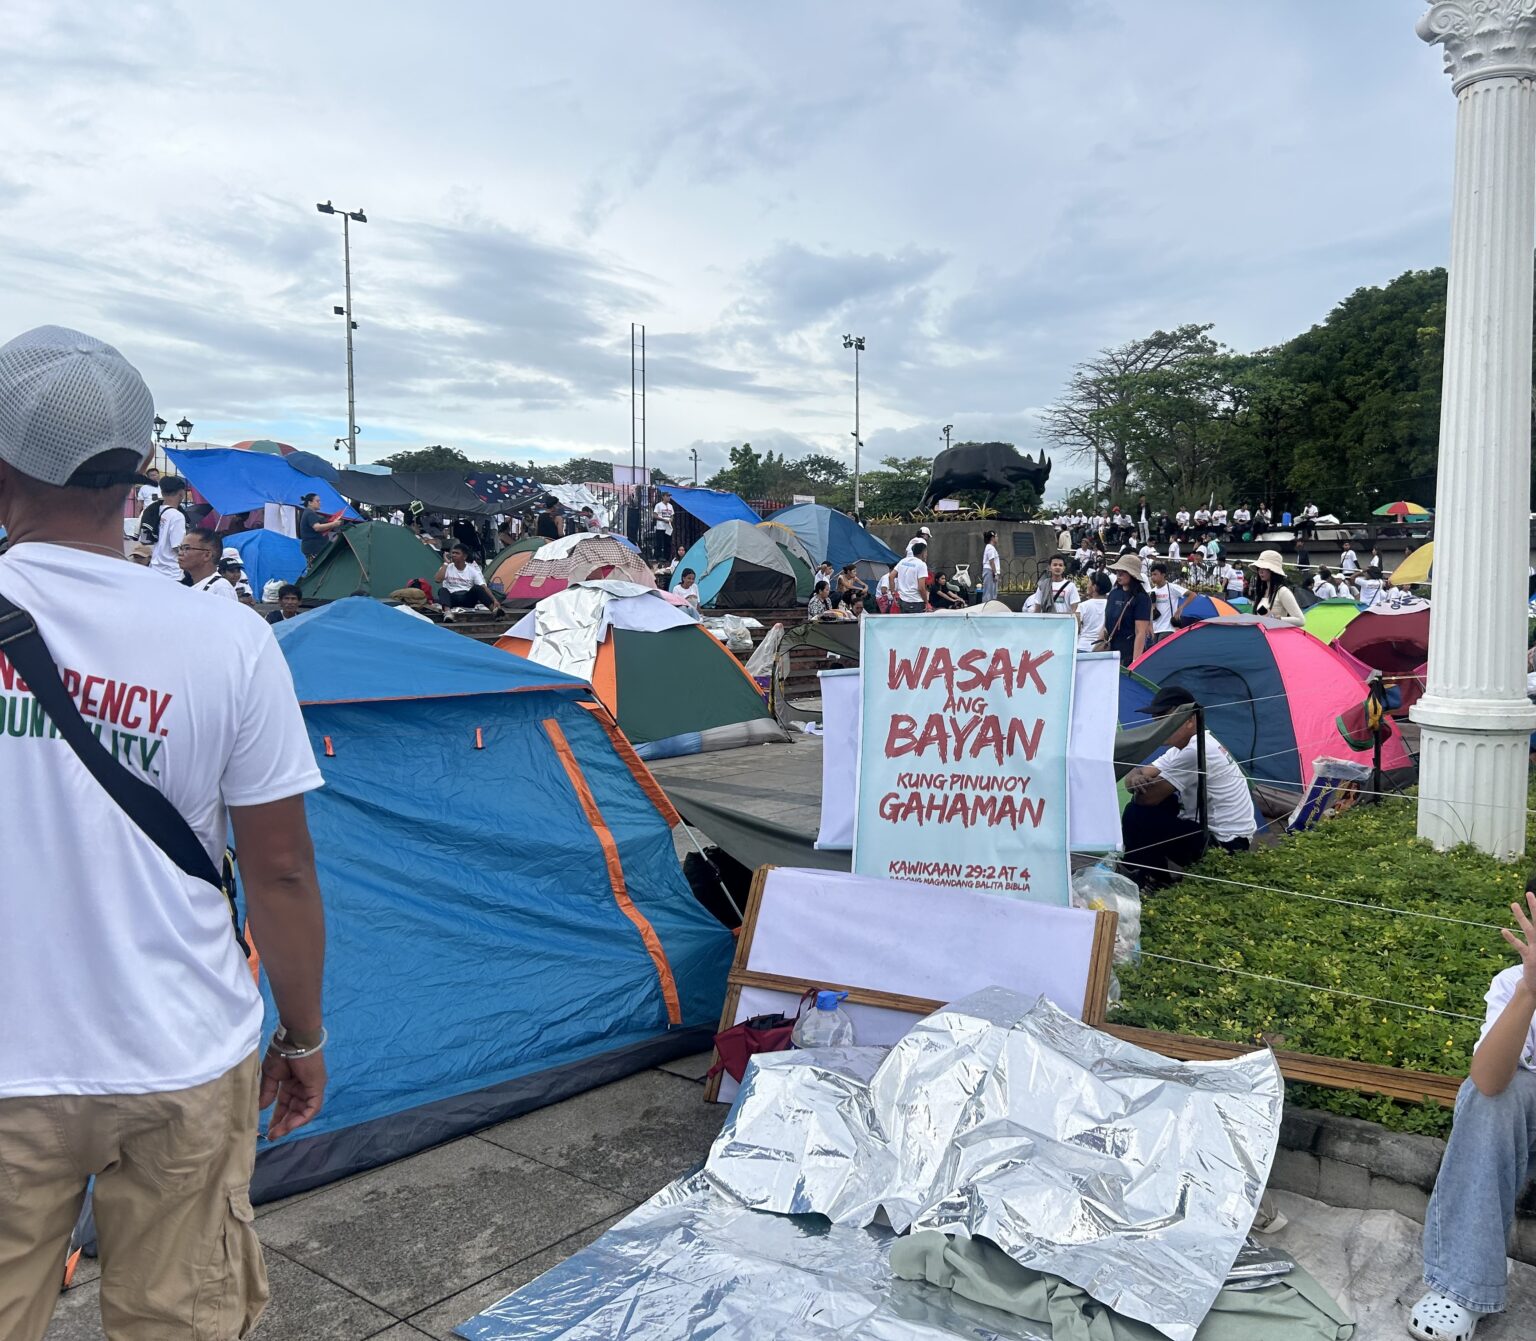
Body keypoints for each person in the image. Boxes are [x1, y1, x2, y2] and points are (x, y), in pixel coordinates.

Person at [0, 324, 327, 1340]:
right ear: (140, 476)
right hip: (184, 1053)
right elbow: (277, 871)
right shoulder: (226, 635)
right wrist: (304, 1035)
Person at [1407, 878, 1536, 1340]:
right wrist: (1529, 992)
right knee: (1493, 1099)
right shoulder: (1512, 984)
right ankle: (1462, 1287)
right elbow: (1487, 1080)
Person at [1120, 686, 1256, 889]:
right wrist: (1136, 778)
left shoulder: (1196, 750)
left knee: (1138, 814)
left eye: (1166, 719)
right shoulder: (1187, 745)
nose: (1159, 725)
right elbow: (1137, 772)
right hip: (1221, 834)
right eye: (1156, 719)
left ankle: (1150, 878)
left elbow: (1145, 798)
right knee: (1159, 803)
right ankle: (1148, 873)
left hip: (1228, 847)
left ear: (1190, 720)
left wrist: (1137, 782)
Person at [1101, 554, 1152, 666]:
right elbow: (1106, 620)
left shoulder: (1141, 598)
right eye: (1117, 572)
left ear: (1132, 575)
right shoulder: (1114, 594)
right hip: (1111, 649)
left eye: (1122, 572)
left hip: (1128, 652)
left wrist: (1135, 662)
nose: (1118, 575)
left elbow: (1140, 632)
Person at [435, 542, 499, 613]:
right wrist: (446, 563)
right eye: (453, 553)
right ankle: (448, 613)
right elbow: (437, 580)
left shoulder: (472, 570)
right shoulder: (447, 567)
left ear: (464, 557)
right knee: (442, 590)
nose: (453, 555)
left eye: (457, 553)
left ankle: (495, 611)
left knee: (478, 588)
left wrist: (494, 600)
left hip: (467, 598)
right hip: (452, 598)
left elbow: (483, 587)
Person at [145, 474, 187, 579]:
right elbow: (177, 547)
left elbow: (145, 539)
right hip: (172, 572)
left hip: (155, 569)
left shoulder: (155, 511)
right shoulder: (177, 516)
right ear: (181, 493)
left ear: (162, 492)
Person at [176, 526, 237, 599]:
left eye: (187, 548)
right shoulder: (187, 585)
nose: (180, 553)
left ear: (207, 555)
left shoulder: (220, 588)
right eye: (180, 548)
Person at [1252, 549, 1306, 626]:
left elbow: (1301, 620)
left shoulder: (1283, 591)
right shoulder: (1262, 591)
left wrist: (1277, 619)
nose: (1260, 571)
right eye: (1259, 568)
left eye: (1264, 568)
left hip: (1276, 634)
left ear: (1273, 571)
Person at [298, 492, 344, 564]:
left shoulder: (309, 513)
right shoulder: (310, 513)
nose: (320, 503)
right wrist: (333, 524)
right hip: (313, 548)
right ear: (310, 502)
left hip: (315, 547)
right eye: (317, 501)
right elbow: (317, 527)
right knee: (315, 569)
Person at [1146, 561, 1188, 640]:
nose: (1152, 577)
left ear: (1163, 575)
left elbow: (1192, 595)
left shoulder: (1172, 587)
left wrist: (1181, 608)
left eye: (1155, 574)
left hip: (1168, 628)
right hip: (1155, 628)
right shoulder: (1152, 591)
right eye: (1151, 574)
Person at [1077, 571, 1111, 652]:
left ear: (1094, 587)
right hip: (1103, 648)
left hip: (1083, 646)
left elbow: (1076, 628)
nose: (1087, 585)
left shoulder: (1083, 606)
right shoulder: (1111, 605)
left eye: (1089, 582)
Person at [893, 541, 930, 613]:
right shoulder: (921, 565)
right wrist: (926, 602)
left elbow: (891, 576)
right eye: (926, 552)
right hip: (916, 601)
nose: (926, 555)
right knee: (917, 624)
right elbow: (921, 587)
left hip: (902, 600)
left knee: (905, 623)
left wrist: (893, 593)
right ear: (923, 552)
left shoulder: (903, 561)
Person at [651, 491, 674, 560]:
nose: (669, 497)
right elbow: (654, 515)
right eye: (667, 496)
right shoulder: (658, 505)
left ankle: (667, 557)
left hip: (668, 527)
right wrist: (664, 520)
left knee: (667, 543)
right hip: (660, 527)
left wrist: (671, 519)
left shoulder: (670, 506)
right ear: (663, 497)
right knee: (659, 543)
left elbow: (672, 515)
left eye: (669, 496)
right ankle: (658, 556)